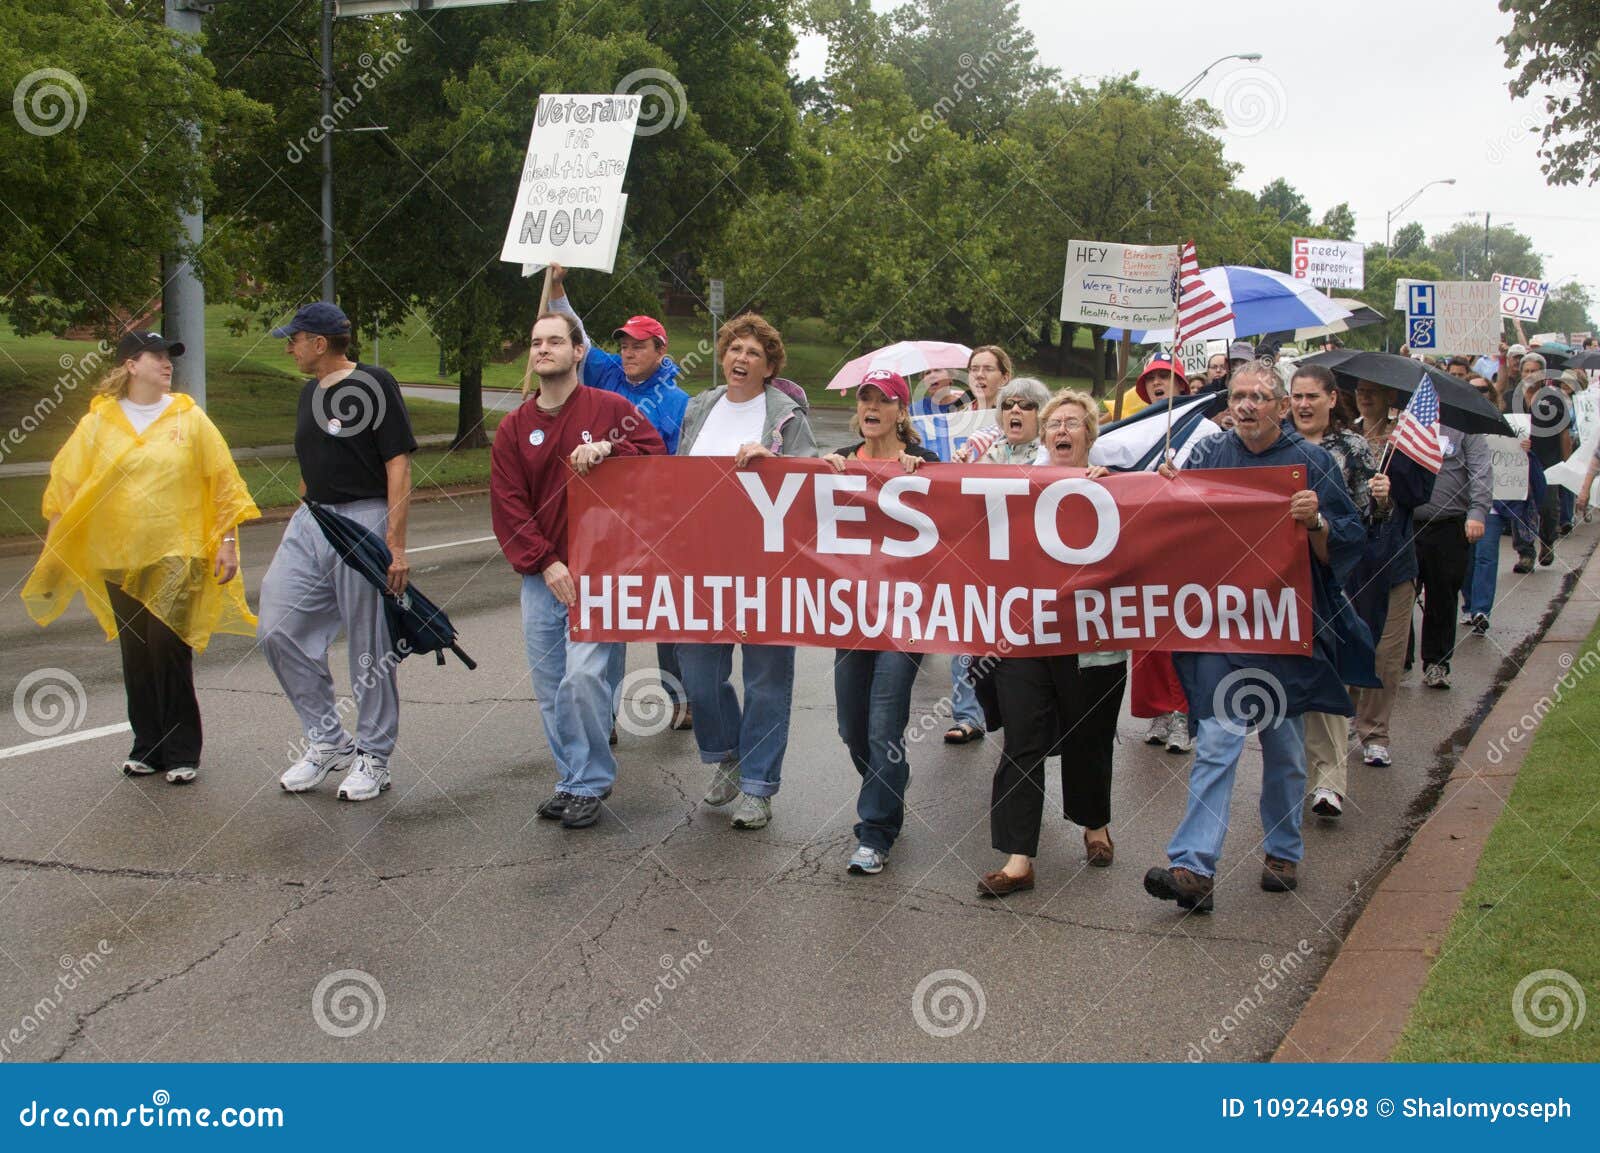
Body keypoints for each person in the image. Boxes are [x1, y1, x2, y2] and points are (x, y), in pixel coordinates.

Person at [1144, 362, 1367, 912]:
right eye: (1238, 395)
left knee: (1284, 747)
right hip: (1221, 625)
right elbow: (1170, 522)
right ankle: (1193, 867)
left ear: (1282, 406)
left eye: (1260, 397)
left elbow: (1345, 548)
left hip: (1284, 629)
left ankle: (1284, 850)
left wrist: (1316, 523)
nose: (1246, 405)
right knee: (1218, 742)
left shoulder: (1312, 462)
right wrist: (1163, 487)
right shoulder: (1209, 454)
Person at [23, 332, 259, 785]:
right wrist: (51, 558)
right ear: (131, 365)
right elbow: (65, 491)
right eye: (157, 355)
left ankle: (182, 749)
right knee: (137, 651)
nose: (167, 363)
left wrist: (227, 542)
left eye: (170, 355)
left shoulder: (189, 418)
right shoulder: (98, 424)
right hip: (119, 554)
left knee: (169, 646)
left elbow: (221, 482)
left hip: (179, 550)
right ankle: (147, 747)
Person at [490, 311, 665, 829]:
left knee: (585, 678)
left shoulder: (609, 407)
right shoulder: (514, 427)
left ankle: (590, 781)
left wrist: (612, 447)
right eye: (536, 342)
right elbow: (508, 504)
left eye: (555, 341)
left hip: (600, 572)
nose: (543, 349)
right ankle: (570, 779)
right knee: (551, 687)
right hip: (543, 576)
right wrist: (544, 562)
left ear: (579, 351)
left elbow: (657, 458)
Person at [260, 303, 417, 802]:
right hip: (314, 520)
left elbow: (397, 463)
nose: (290, 347)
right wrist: (303, 513)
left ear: (321, 343)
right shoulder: (309, 393)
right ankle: (329, 741)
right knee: (277, 629)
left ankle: (374, 756)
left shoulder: (374, 384)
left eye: (296, 338)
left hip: (364, 519)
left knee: (369, 647)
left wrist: (394, 543)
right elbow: (311, 462)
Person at [980, 390, 1126, 897]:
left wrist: (1140, 491)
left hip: (1092, 640)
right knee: (1023, 741)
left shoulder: (1116, 486)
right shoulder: (1015, 485)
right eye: (1054, 423)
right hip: (1024, 637)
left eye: (1074, 422)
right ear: (1044, 436)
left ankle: (1094, 824)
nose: (1063, 430)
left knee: (1090, 737)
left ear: (1090, 433)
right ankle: (1018, 857)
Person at [676, 312, 816, 830]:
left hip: (767, 569)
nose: (741, 358)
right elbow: (669, 475)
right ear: (722, 355)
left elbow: (811, 480)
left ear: (769, 365)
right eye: (735, 348)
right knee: (698, 675)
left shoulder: (786, 414)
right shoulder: (700, 406)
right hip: (700, 565)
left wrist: (773, 461)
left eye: (754, 353)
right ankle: (726, 756)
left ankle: (758, 786)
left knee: (766, 681)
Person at [545, 265, 694, 731]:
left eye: (639, 346)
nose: (628, 353)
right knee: (610, 613)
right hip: (604, 521)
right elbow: (572, 327)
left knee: (667, 613)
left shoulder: (677, 400)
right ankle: (604, 712)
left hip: (660, 520)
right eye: (625, 345)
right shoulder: (607, 371)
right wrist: (555, 283)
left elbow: (685, 462)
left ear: (660, 350)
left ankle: (680, 696)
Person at [820, 370, 939, 875]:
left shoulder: (926, 465)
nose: (870, 407)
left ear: (901, 412)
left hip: (905, 616)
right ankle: (890, 782)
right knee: (853, 727)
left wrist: (925, 478)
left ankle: (875, 833)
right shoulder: (839, 462)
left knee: (885, 722)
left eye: (882, 400)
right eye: (865, 399)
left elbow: (963, 521)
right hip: (852, 614)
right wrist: (812, 473)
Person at [1289, 365, 1388, 818]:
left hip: (1330, 576)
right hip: (1277, 584)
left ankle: (1328, 782)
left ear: (1332, 399)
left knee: (1326, 670)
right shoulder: (1272, 448)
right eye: (1297, 396)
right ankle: (1290, 779)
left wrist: (1381, 499)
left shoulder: (1350, 449)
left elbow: (1365, 519)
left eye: (1312, 396)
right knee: (1288, 684)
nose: (1304, 404)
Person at [1347, 381, 1432, 769]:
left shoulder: (1407, 440)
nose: (1366, 396)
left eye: (1374, 391)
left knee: (1387, 653)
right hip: (1348, 563)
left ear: (1390, 397)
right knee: (1347, 646)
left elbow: (1421, 492)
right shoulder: (1344, 437)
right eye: (1361, 390)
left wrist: (1391, 490)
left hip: (1394, 562)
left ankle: (1375, 733)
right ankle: (1341, 717)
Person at [1410, 394, 1492, 689]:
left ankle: (1436, 662)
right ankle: (1399, 657)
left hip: (1449, 526)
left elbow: (1481, 472)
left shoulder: (1465, 430)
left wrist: (1478, 512)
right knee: (1399, 593)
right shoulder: (1409, 424)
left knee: (1442, 597)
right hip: (1407, 524)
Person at [1513, 352, 1567, 568]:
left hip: (1548, 462)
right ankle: (1525, 554)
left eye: (1534, 371)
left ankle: (1547, 541)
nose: (1529, 375)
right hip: (1518, 465)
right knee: (1519, 507)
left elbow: (1564, 434)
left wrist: (1566, 464)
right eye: (1526, 371)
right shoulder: (1511, 398)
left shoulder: (1553, 400)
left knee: (1548, 507)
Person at [979, 376, 1049, 464]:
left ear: (1041, 413)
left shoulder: (1049, 456)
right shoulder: (991, 450)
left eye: (1024, 404)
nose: (1014, 409)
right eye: (1008, 404)